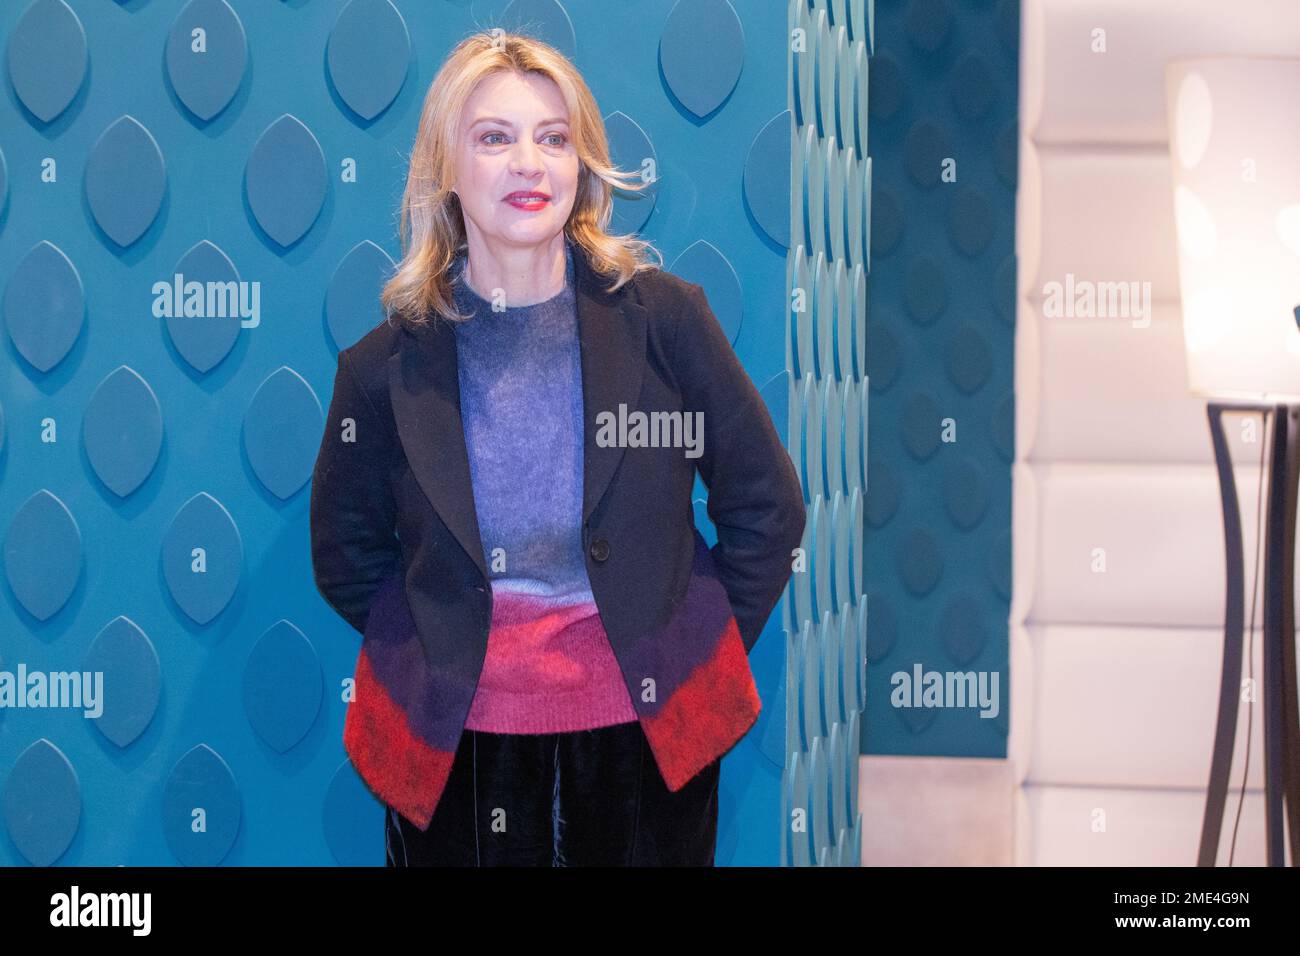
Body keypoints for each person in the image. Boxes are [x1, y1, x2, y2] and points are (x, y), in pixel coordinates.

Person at [309, 30, 806, 867]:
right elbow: (345, 557)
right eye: (494, 138)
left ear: (582, 165)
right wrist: (450, 650)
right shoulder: (381, 369)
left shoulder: (667, 322)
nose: (528, 163)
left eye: (553, 137)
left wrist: (684, 639)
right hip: (457, 760)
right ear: (447, 169)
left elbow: (768, 509)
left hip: (646, 747)